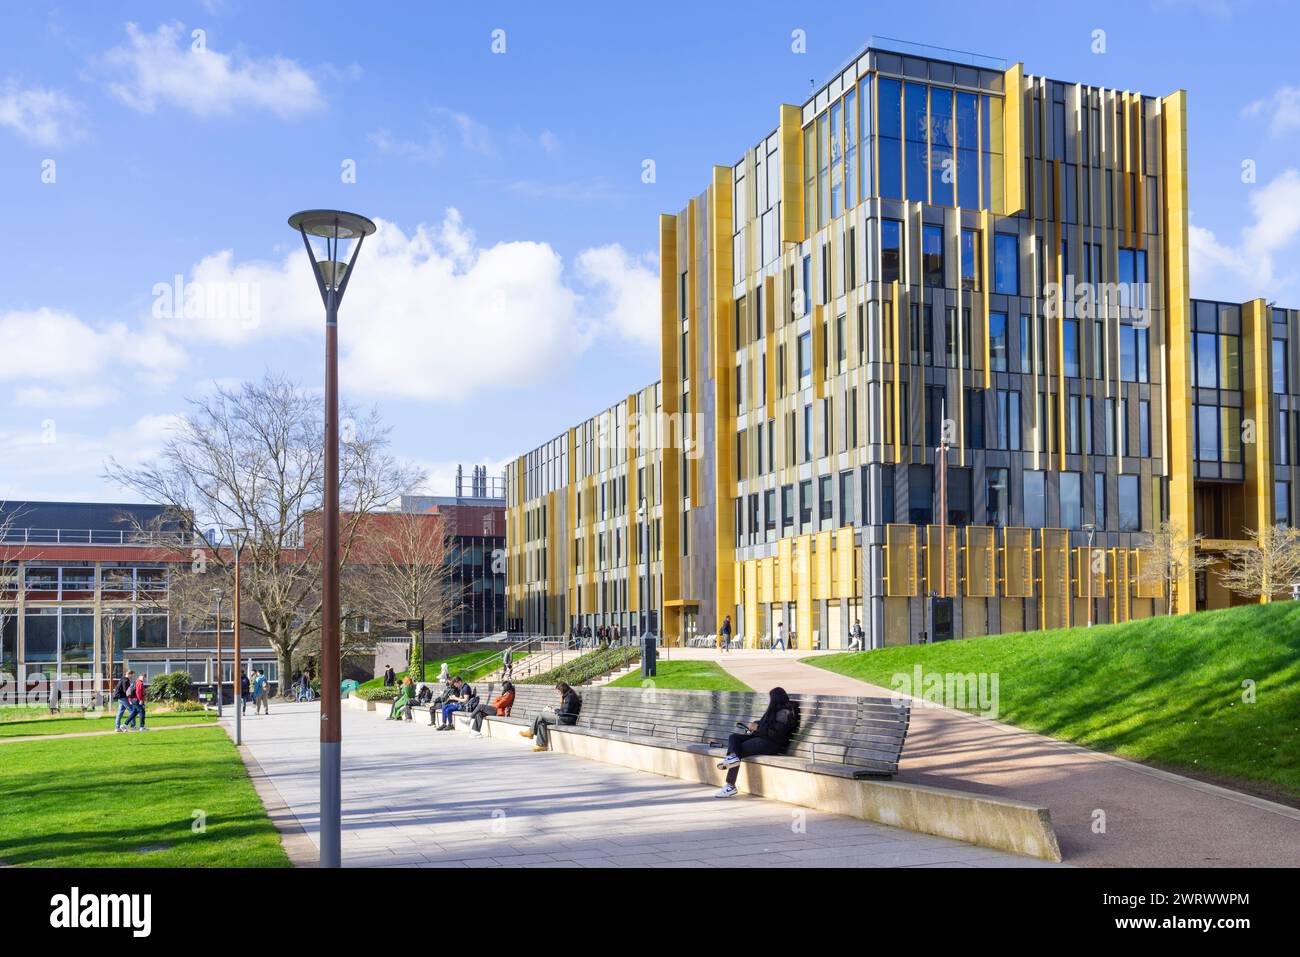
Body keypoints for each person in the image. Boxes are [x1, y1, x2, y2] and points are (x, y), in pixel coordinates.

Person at [715, 687, 799, 798]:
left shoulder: (785, 713)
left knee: (738, 749)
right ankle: (732, 759)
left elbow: (776, 734)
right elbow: (767, 724)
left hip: (771, 744)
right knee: (734, 737)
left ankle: (730, 785)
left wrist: (758, 727)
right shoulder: (777, 711)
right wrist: (755, 724)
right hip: (762, 738)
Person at [520, 682, 581, 752]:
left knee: (541, 715)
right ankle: (541, 745)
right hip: (564, 717)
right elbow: (563, 710)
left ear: (563, 689)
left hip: (567, 719)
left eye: (559, 691)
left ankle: (531, 732)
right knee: (541, 722)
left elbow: (565, 712)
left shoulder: (570, 697)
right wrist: (555, 709)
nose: (558, 693)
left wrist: (554, 711)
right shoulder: (567, 695)